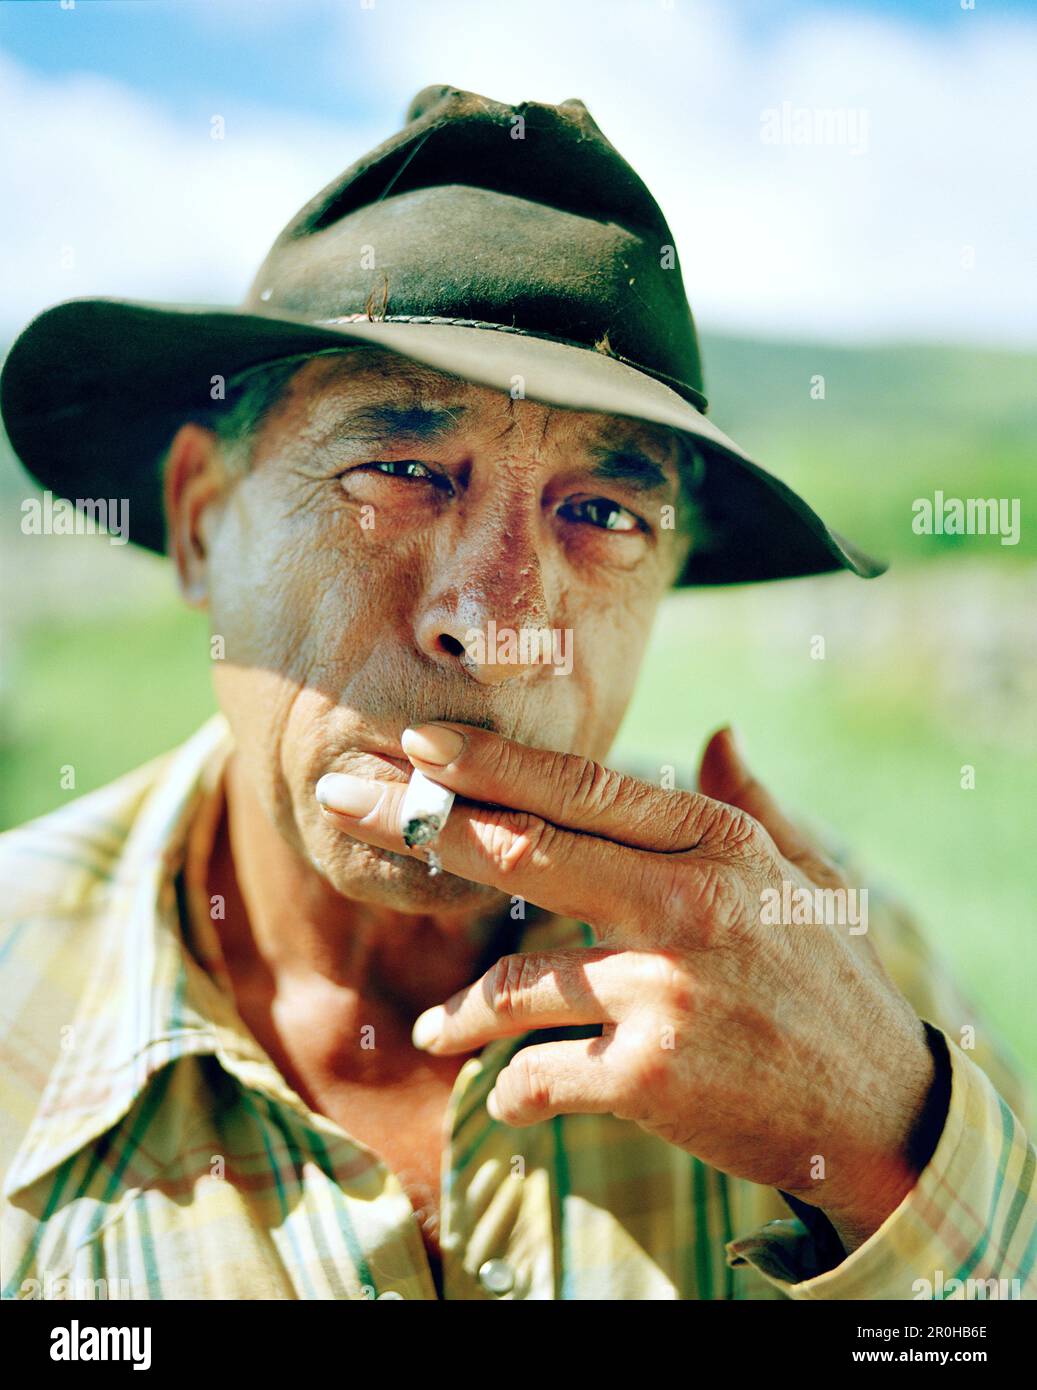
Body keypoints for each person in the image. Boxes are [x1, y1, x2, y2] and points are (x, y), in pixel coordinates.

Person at [0, 85, 1031, 1301]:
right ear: (196, 522)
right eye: (396, 468)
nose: (494, 628)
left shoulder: (832, 968)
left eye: (598, 512)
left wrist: (887, 1149)